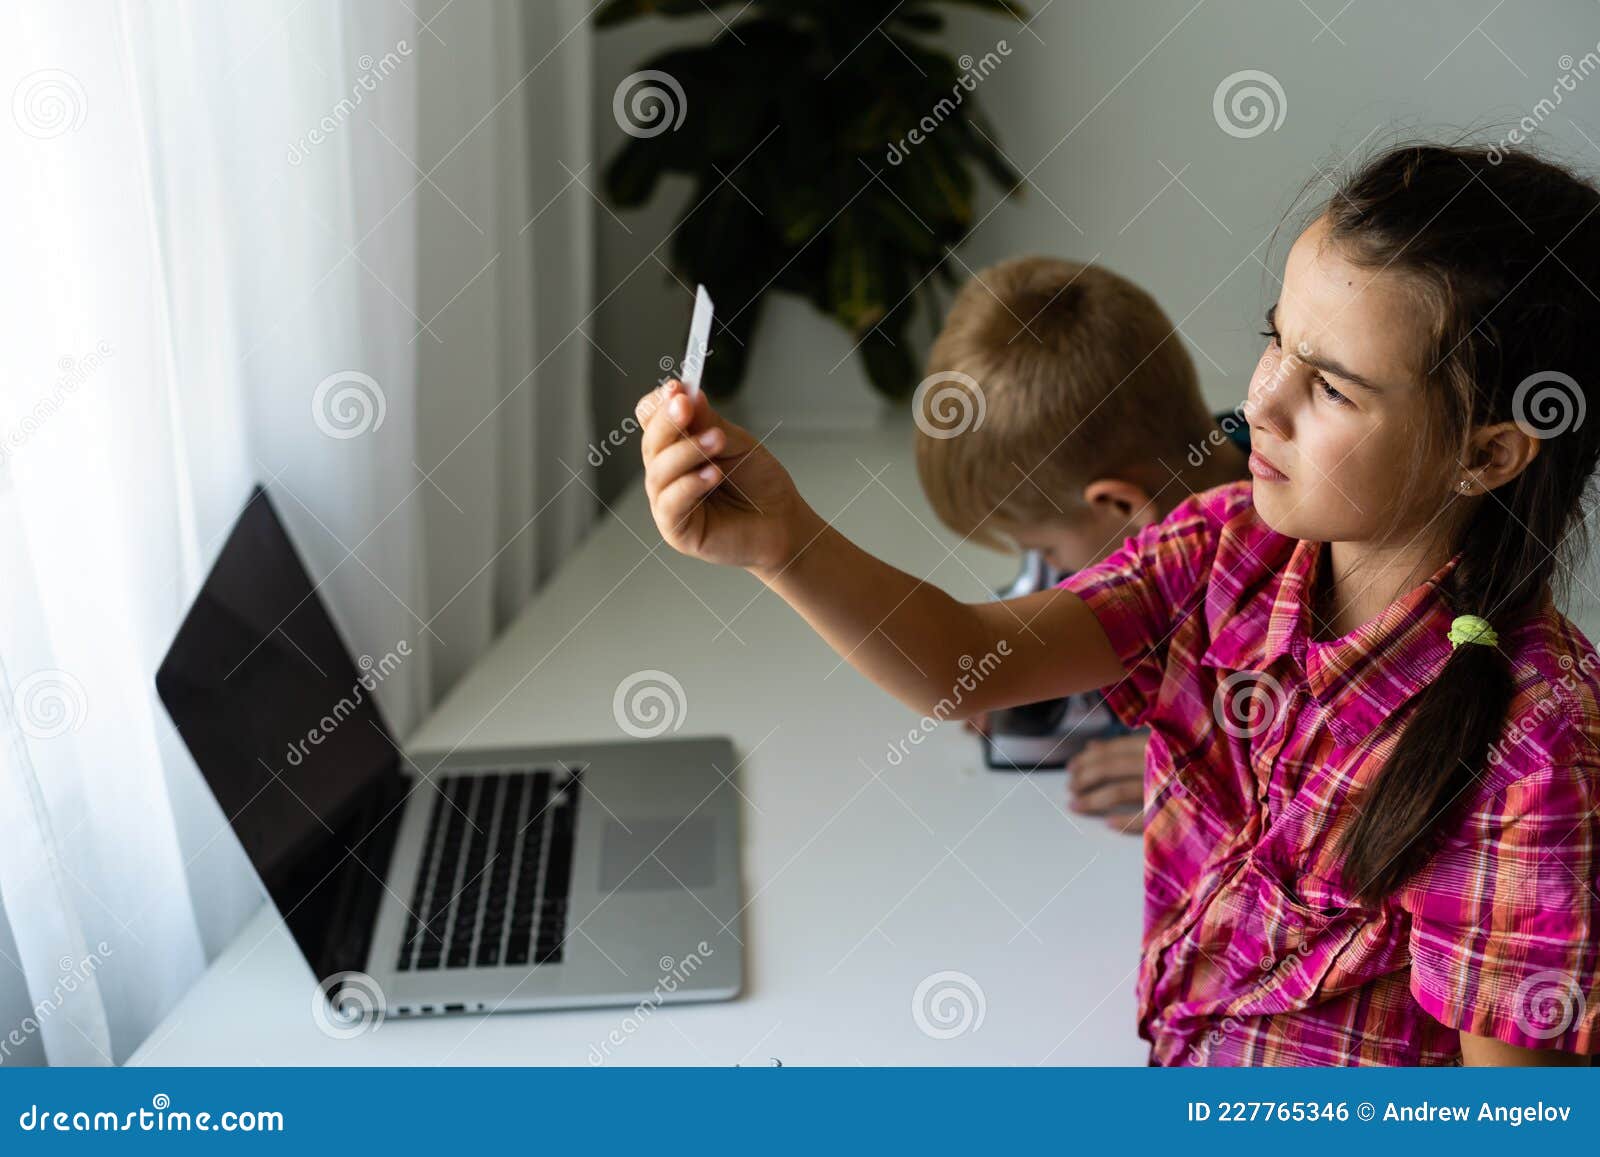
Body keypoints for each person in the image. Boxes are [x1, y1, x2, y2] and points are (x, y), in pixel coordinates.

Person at [634, 143, 1600, 1065]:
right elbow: (963, 659)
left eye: (1334, 388)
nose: (1261, 402)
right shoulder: (1225, 544)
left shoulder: (1533, 746)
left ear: (1487, 453)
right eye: (1276, 341)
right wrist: (783, 542)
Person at [911, 256, 1248, 827]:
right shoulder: (1183, 460)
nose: (1047, 567)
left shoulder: (1296, 574)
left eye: (1045, 550)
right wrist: (1026, 663)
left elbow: (1353, 749)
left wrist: (1206, 773)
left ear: (1120, 506)